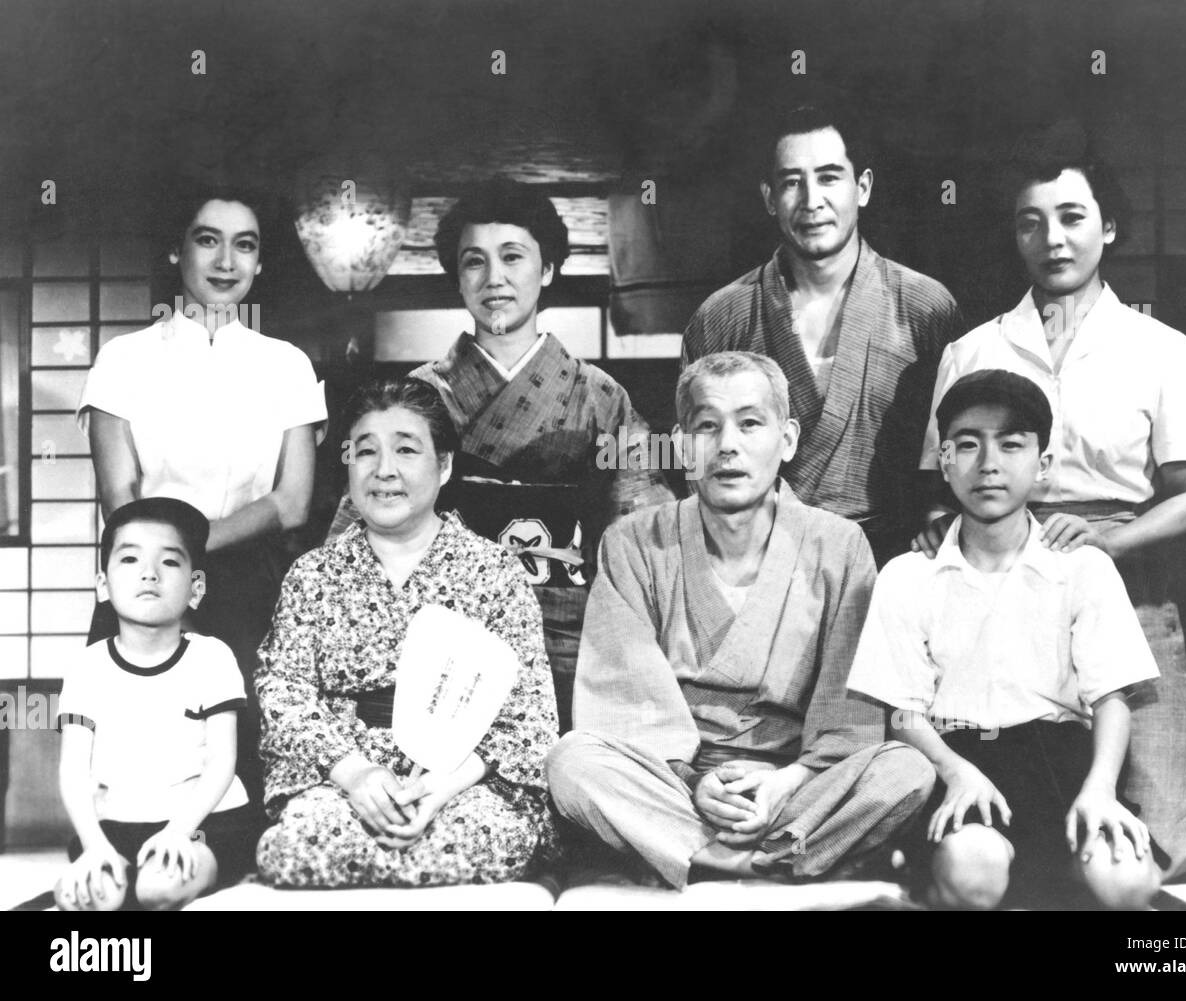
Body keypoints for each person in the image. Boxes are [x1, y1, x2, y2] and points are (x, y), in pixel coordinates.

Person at [914, 126, 1186, 881]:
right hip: (997, 570)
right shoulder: (974, 350)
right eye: (1032, 221)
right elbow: (936, 488)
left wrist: (1109, 544)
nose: (1054, 238)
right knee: (993, 828)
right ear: (1016, 234)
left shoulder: (1163, 348)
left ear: (1107, 227)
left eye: (1074, 217)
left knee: (1174, 850)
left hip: (1124, 569)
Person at [546, 352, 935, 890]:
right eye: (708, 426)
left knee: (905, 770)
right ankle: (769, 863)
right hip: (675, 785)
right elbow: (621, 703)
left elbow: (849, 714)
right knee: (572, 762)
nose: (728, 444)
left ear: (789, 439)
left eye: (751, 423)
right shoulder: (634, 541)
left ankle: (699, 860)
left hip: (796, 784)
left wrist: (787, 779)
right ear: (682, 446)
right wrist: (695, 781)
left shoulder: (839, 545)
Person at [329, 179, 673, 733]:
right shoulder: (415, 397)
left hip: (569, 638)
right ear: (457, 278)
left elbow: (640, 532)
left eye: (513, 257)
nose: (494, 279)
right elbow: (361, 526)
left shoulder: (600, 396)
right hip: (439, 640)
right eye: (474, 262)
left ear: (548, 269)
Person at [851, 370, 1164, 909]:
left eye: (1011, 444)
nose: (988, 463)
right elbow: (901, 713)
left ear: (1042, 465)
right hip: (957, 756)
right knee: (976, 874)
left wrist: (1101, 788)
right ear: (944, 462)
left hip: (1061, 759)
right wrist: (955, 770)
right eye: (967, 445)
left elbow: (1113, 696)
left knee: (1129, 884)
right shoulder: (906, 575)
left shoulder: (1083, 566)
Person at [79, 184, 328, 812]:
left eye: (244, 245)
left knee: (246, 759)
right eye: (207, 239)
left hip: (252, 583)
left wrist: (201, 549)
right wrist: (171, 568)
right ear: (175, 251)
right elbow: (120, 495)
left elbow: (292, 501)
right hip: (146, 574)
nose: (226, 262)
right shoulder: (123, 360)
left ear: (261, 261)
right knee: (131, 758)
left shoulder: (287, 364)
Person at [256, 378, 558, 887]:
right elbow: (283, 691)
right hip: (344, 780)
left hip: (460, 783)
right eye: (366, 451)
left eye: (406, 449)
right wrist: (355, 776)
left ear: (444, 466)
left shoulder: (492, 571)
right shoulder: (313, 574)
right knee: (295, 845)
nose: (384, 470)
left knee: (488, 835)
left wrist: (441, 787)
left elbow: (529, 710)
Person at [681, 103, 965, 566]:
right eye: (792, 182)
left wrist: (940, 516)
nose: (811, 199)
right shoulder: (721, 317)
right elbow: (695, 459)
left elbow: (961, 441)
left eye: (830, 177)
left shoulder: (925, 307)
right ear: (770, 197)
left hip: (897, 559)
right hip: (759, 558)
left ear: (864, 187)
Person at [54, 498, 260, 910]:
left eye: (169, 562)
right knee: (86, 900)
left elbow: (223, 761)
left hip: (205, 822)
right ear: (102, 584)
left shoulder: (211, 657)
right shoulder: (87, 665)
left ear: (195, 587)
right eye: (129, 559)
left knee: (159, 890)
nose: (149, 573)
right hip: (115, 823)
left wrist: (179, 832)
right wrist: (94, 844)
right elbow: (73, 768)